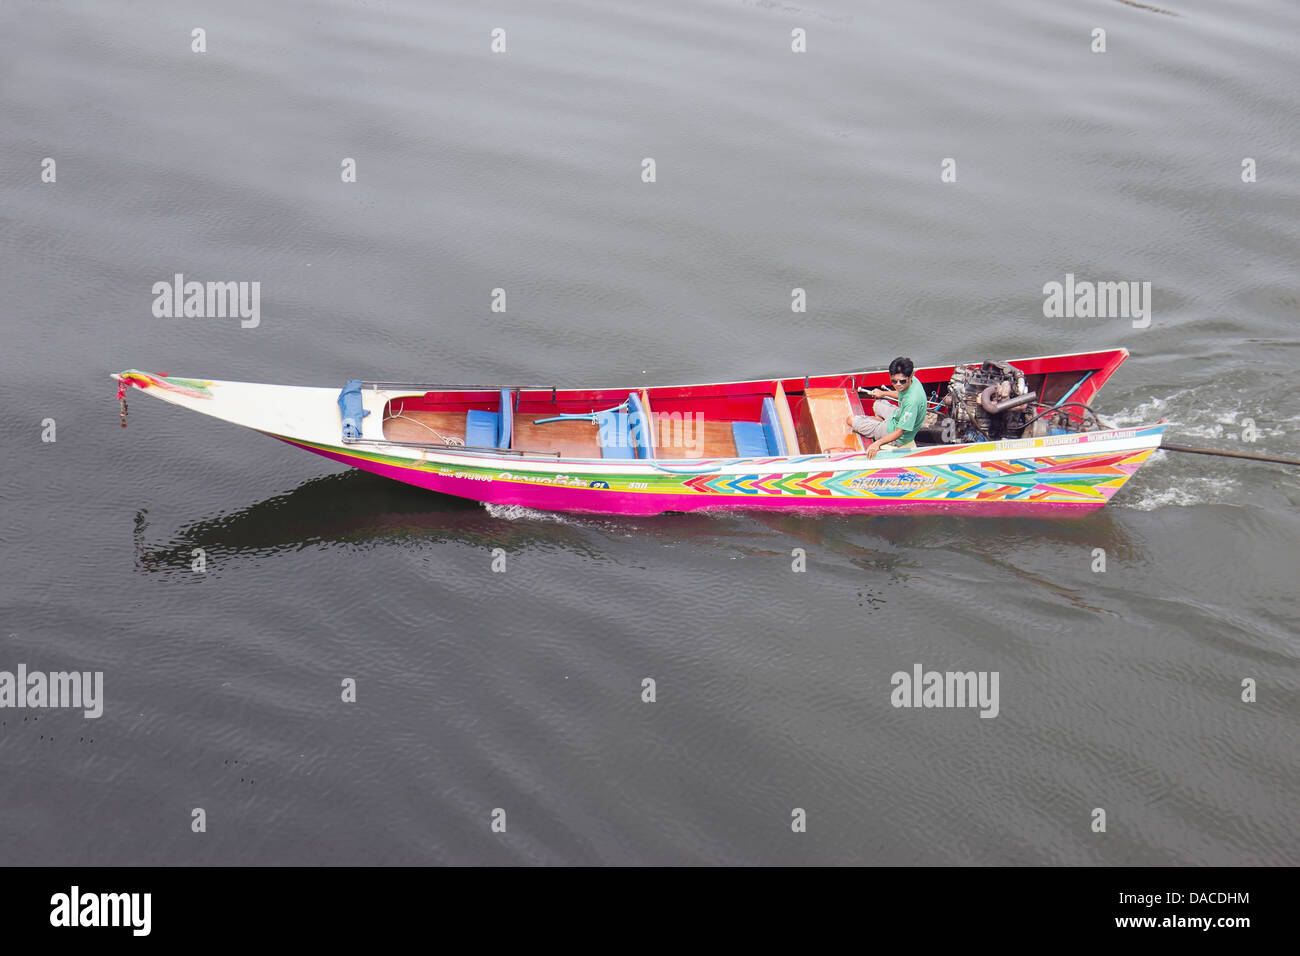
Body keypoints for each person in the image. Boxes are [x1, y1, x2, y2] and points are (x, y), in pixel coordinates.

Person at [846, 356, 926, 458]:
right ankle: (879, 421)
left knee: (850, 420)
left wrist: (877, 443)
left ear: (910, 376)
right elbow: (901, 394)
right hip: (898, 414)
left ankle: (879, 424)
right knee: (877, 403)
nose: (898, 385)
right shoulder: (912, 381)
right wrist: (883, 393)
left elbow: (899, 432)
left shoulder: (911, 402)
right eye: (894, 381)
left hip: (897, 434)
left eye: (902, 381)